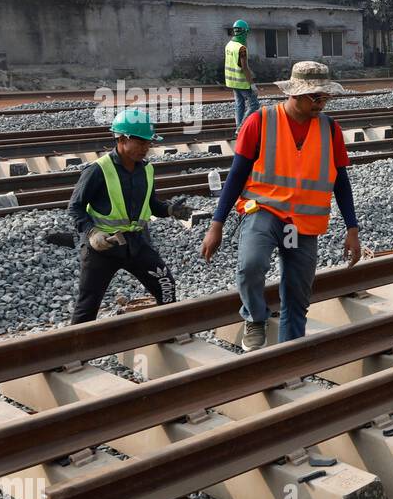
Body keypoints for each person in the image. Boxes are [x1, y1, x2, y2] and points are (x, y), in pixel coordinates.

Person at [200, 62, 362, 350]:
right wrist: (217, 225)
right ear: (295, 94)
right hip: (264, 209)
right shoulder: (260, 122)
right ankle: (254, 318)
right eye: (316, 97)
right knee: (251, 265)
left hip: (304, 222)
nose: (321, 104)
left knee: (298, 295)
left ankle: (289, 357)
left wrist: (352, 228)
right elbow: (236, 176)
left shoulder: (330, 129)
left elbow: (341, 180)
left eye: (325, 97)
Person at [67, 109, 188, 323]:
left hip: (136, 244)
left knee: (165, 285)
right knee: (88, 305)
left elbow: (151, 205)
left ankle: (168, 333)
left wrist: (169, 210)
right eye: (141, 143)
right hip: (103, 248)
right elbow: (75, 207)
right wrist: (92, 233)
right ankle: (76, 354)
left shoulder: (146, 170)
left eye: (148, 143)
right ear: (122, 139)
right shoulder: (98, 170)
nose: (146, 148)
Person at [224, 19, 259, 127]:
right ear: (244, 32)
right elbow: (244, 67)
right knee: (254, 105)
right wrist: (252, 85)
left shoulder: (229, 44)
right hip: (242, 83)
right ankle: (241, 128)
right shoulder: (241, 48)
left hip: (232, 82)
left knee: (239, 105)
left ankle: (237, 129)